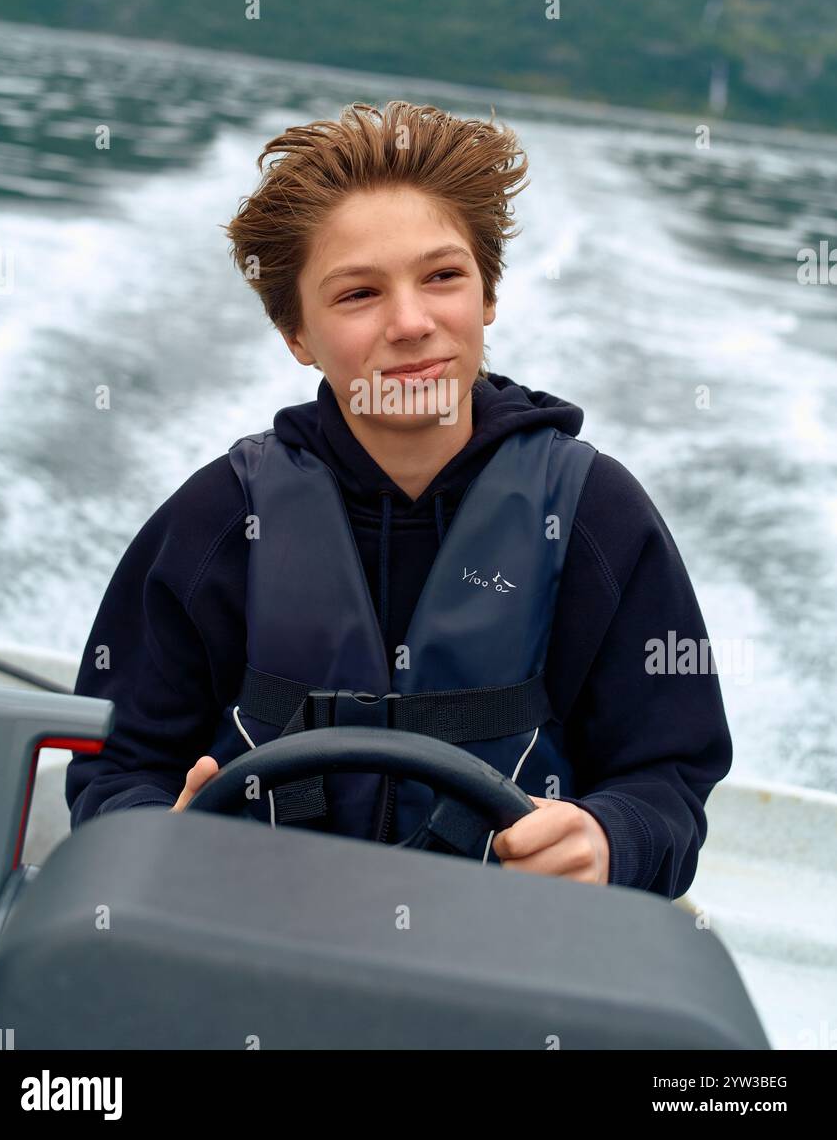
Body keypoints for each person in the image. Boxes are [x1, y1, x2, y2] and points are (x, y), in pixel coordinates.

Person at [65, 100, 732, 899]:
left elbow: (668, 784)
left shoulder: (596, 517)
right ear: (297, 337)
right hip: (249, 944)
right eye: (358, 295)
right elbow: (114, 766)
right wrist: (149, 836)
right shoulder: (219, 520)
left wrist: (606, 840)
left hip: (501, 964)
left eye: (443, 277)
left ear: (487, 297)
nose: (412, 323)